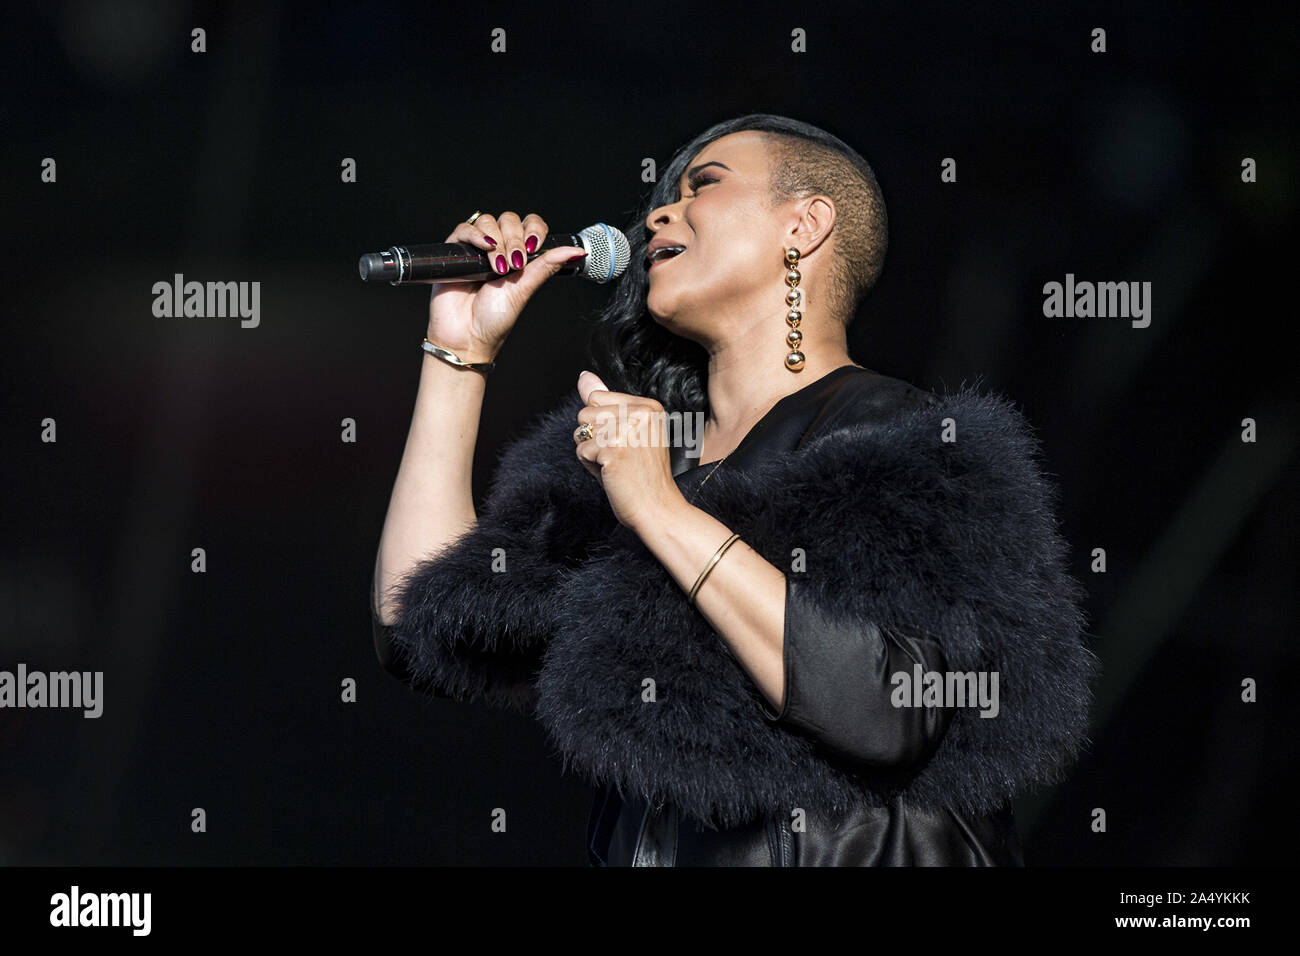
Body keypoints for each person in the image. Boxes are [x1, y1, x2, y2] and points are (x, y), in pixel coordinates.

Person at [371, 113, 1098, 866]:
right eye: (664, 196)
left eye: (704, 185)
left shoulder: (907, 441)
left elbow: (892, 710)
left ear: (806, 224)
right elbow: (418, 626)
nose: (658, 212)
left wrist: (659, 510)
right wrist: (458, 350)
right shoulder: (639, 461)